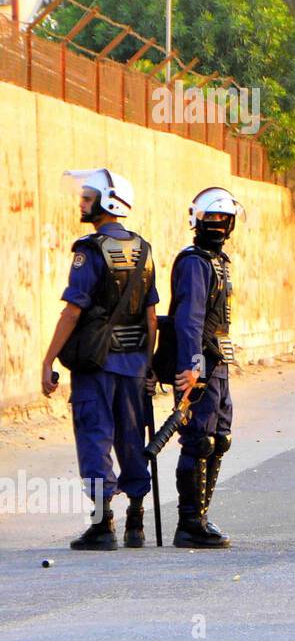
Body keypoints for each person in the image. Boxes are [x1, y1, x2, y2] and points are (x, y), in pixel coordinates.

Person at [41, 169, 158, 551]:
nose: (82, 201)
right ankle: (136, 522)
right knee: (132, 437)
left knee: (94, 437)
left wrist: (48, 360)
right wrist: (147, 364)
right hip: (134, 362)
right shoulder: (144, 249)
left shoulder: (88, 251)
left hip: (96, 363)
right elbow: (152, 317)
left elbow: (73, 311)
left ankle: (102, 523)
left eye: (89, 196)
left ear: (108, 201)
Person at [162, 187, 246, 548]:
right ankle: (189, 524)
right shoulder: (194, 262)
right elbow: (189, 319)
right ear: (197, 220)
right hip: (201, 362)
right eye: (211, 218)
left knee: (219, 439)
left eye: (223, 219)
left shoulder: (219, 261)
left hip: (219, 360)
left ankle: (203, 515)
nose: (217, 224)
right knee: (198, 439)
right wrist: (191, 367)